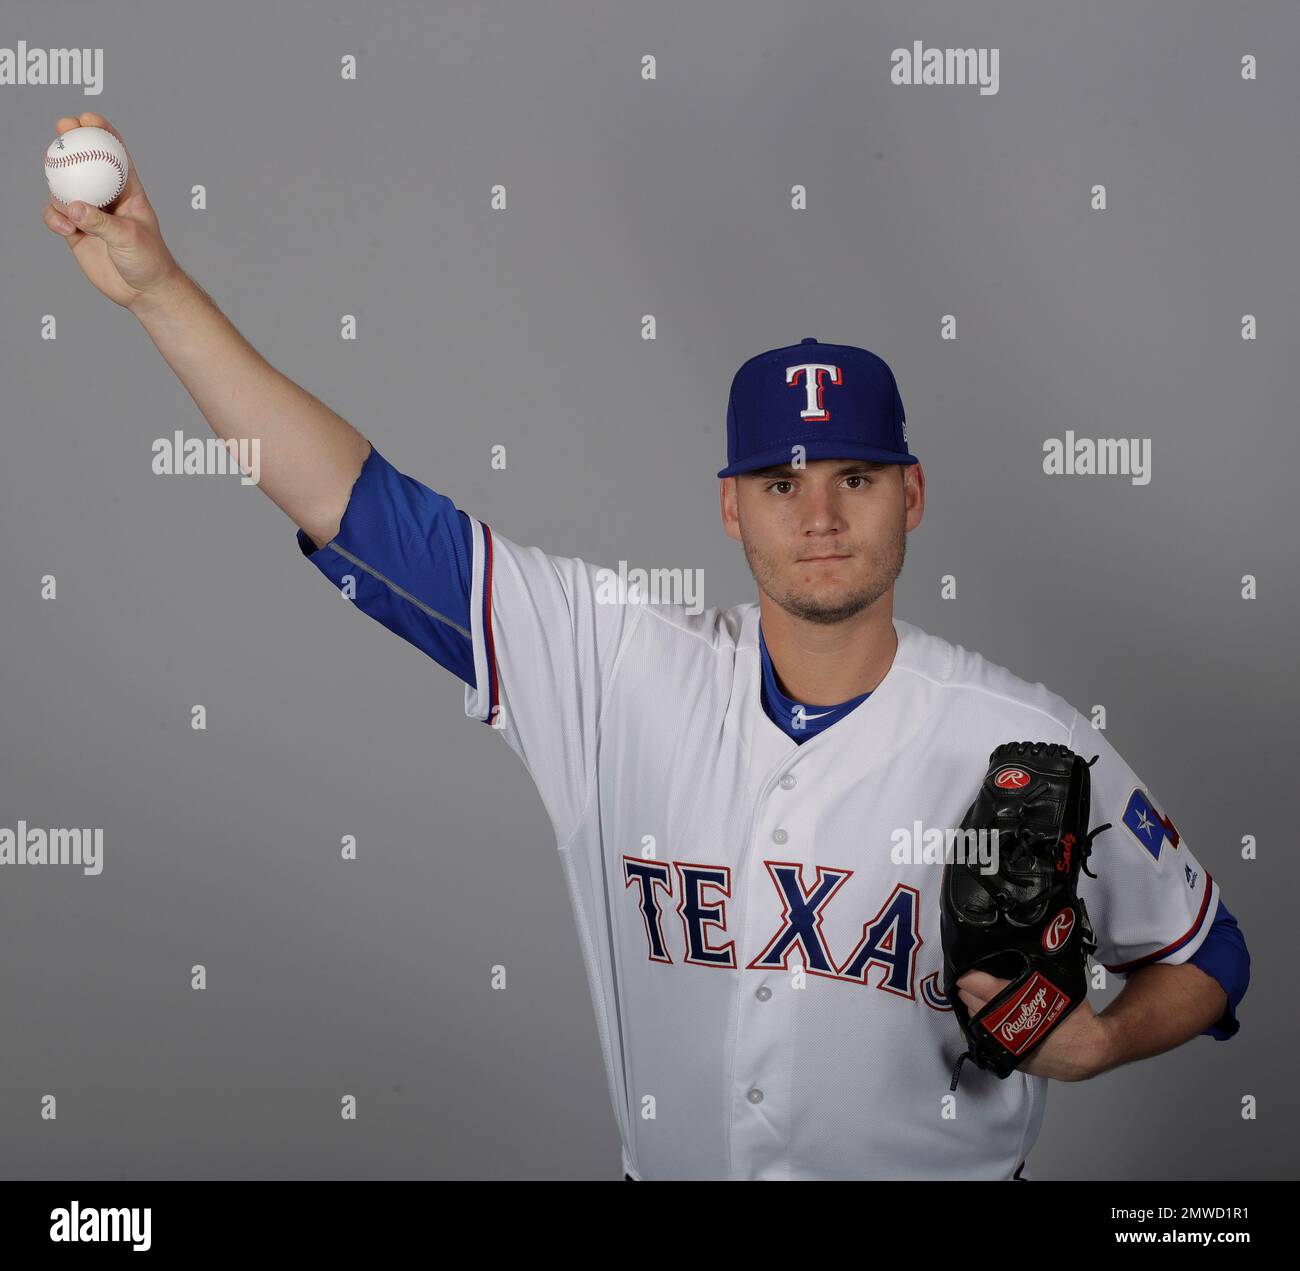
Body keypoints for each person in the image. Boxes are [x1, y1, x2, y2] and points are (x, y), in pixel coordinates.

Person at [43, 112, 1250, 1181]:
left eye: (855, 477)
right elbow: (355, 507)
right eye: (778, 483)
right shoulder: (610, 666)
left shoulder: (1023, 737)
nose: (818, 514)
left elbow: (1211, 951)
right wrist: (159, 291)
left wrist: (1095, 1038)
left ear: (912, 494)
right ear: (729, 506)